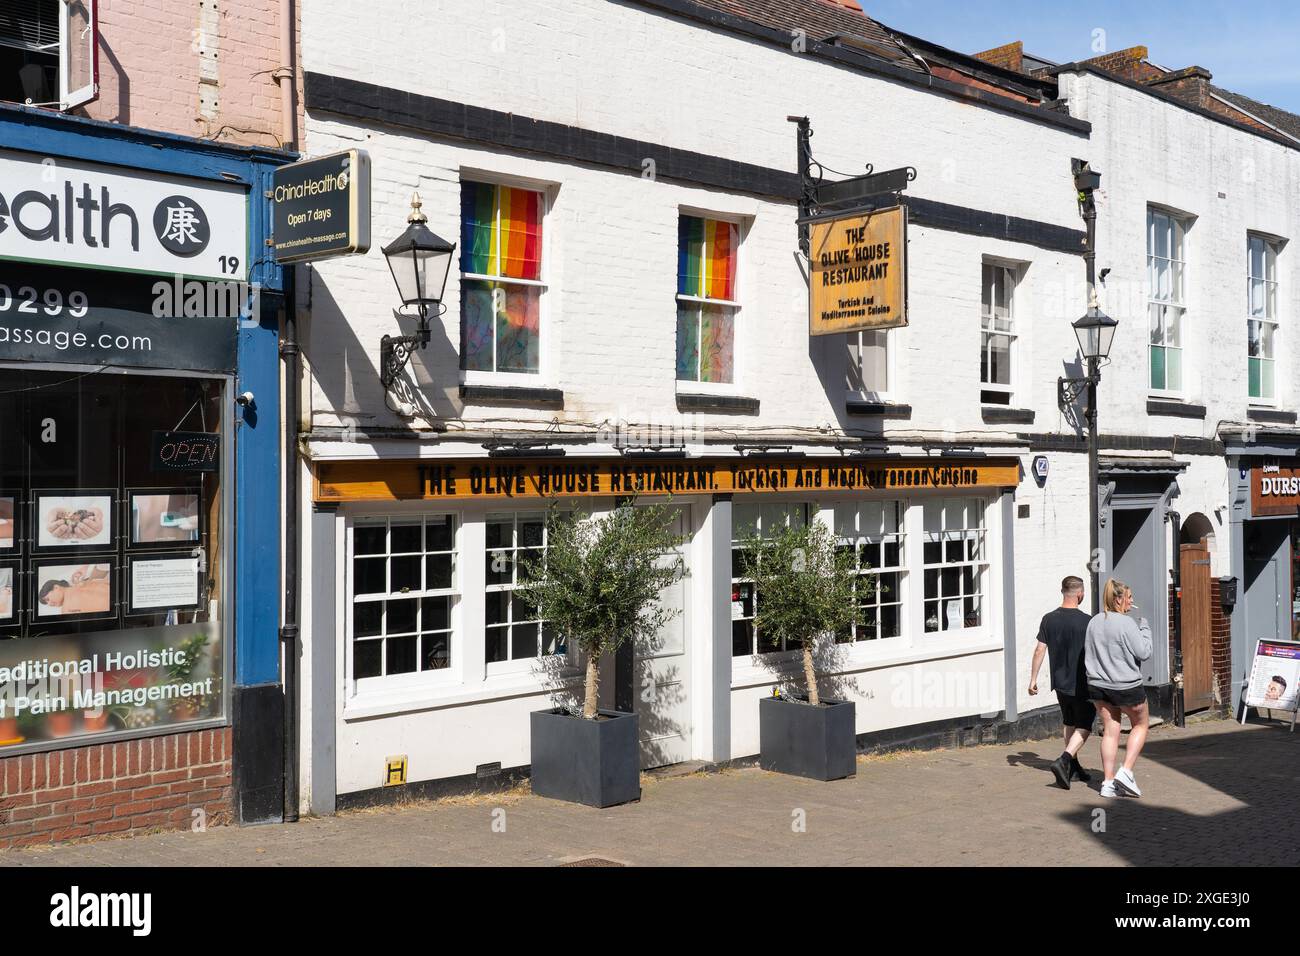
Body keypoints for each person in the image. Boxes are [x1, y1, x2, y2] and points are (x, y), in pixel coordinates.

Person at [1085, 579, 1153, 798]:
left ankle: (1107, 783)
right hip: (1126, 686)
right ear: (1118, 599)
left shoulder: (1094, 621)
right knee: (1141, 725)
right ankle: (1126, 771)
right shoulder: (1128, 623)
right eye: (1129, 597)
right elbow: (1143, 652)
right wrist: (1144, 627)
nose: (1132, 601)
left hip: (1098, 686)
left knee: (1111, 730)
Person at [1029, 575, 1094, 789]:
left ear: (1062, 591)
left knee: (1069, 721)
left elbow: (1040, 649)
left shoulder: (1049, 619)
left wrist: (1033, 679)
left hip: (1060, 682)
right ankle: (1064, 760)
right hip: (1082, 683)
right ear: (1080, 594)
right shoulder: (1087, 621)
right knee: (1084, 725)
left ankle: (1073, 766)